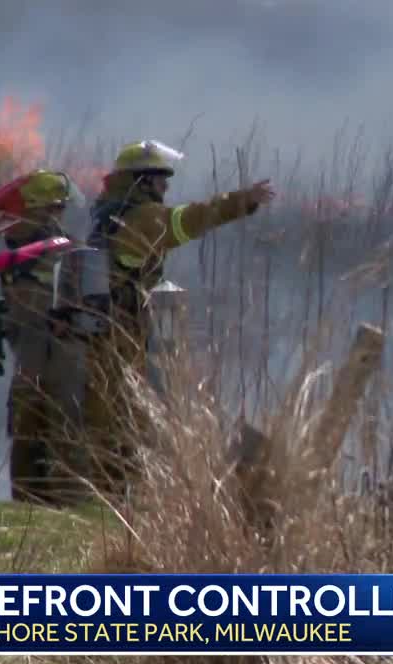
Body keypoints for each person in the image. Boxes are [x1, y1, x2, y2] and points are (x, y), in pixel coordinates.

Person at [80, 140, 274, 493]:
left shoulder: (110, 214)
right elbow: (189, 219)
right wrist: (239, 201)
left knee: (110, 419)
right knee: (126, 423)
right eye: (160, 180)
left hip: (108, 334)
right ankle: (116, 501)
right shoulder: (142, 217)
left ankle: (110, 497)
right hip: (120, 338)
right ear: (142, 182)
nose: (166, 188)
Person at [0, 169, 84, 501]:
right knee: (52, 429)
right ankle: (58, 499)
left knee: (35, 428)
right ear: (43, 209)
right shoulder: (32, 247)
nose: (60, 214)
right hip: (48, 354)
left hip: (41, 354)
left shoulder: (23, 247)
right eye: (57, 207)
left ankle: (39, 500)